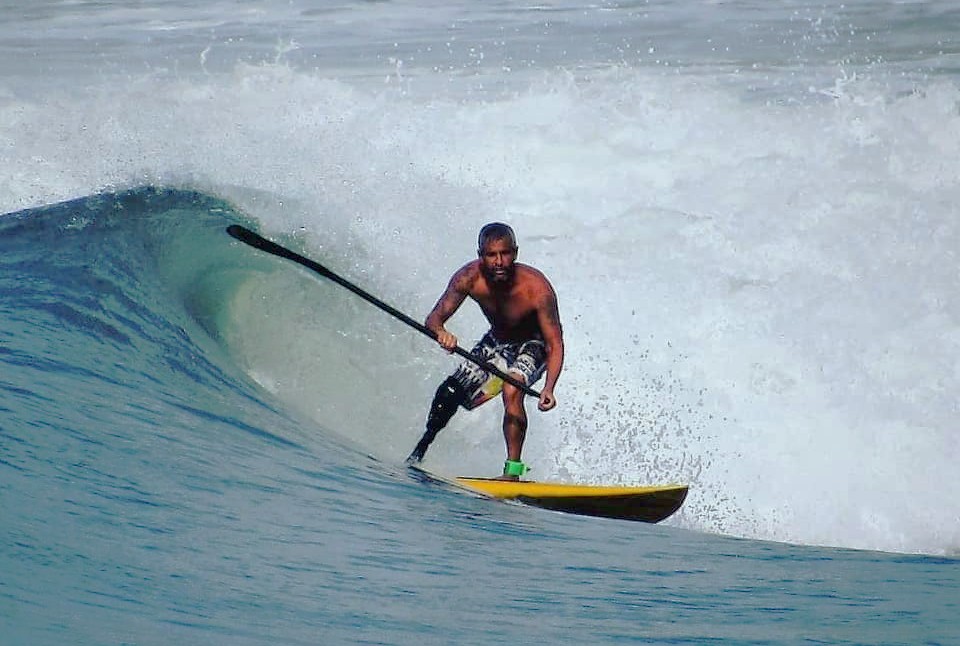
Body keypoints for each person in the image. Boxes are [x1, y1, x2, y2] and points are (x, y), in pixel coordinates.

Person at [407, 222, 564, 479]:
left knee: (512, 389)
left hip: (534, 344)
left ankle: (512, 471)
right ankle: (419, 451)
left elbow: (556, 343)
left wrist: (549, 387)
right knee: (450, 393)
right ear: (481, 255)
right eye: (491, 255)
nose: (499, 262)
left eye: (505, 253)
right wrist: (442, 333)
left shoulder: (537, 288)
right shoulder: (468, 278)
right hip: (497, 342)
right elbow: (434, 319)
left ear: (516, 252)